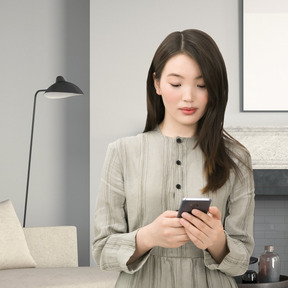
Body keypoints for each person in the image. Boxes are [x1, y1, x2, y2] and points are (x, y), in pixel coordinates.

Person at [92, 29, 255, 287]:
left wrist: (217, 242)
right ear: (156, 83)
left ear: (215, 89)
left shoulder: (236, 158)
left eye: (201, 85)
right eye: (176, 84)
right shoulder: (122, 152)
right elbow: (102, 252)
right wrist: (147, 237)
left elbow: (242, 260)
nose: (188, 96)